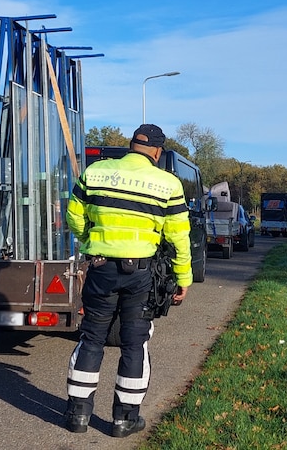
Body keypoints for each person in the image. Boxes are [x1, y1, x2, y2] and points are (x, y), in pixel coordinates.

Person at [62, 124, 192, 438]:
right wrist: (182, 278)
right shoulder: (168, 184)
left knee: (92, 337)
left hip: (101, 268)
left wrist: (91, 241)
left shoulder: (95, 173)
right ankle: (124, 420)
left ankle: (78, 416)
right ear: (158, 153)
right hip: (141, 275)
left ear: (131, 145)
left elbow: (73, 215)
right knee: (135, 344)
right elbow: (178, 237)